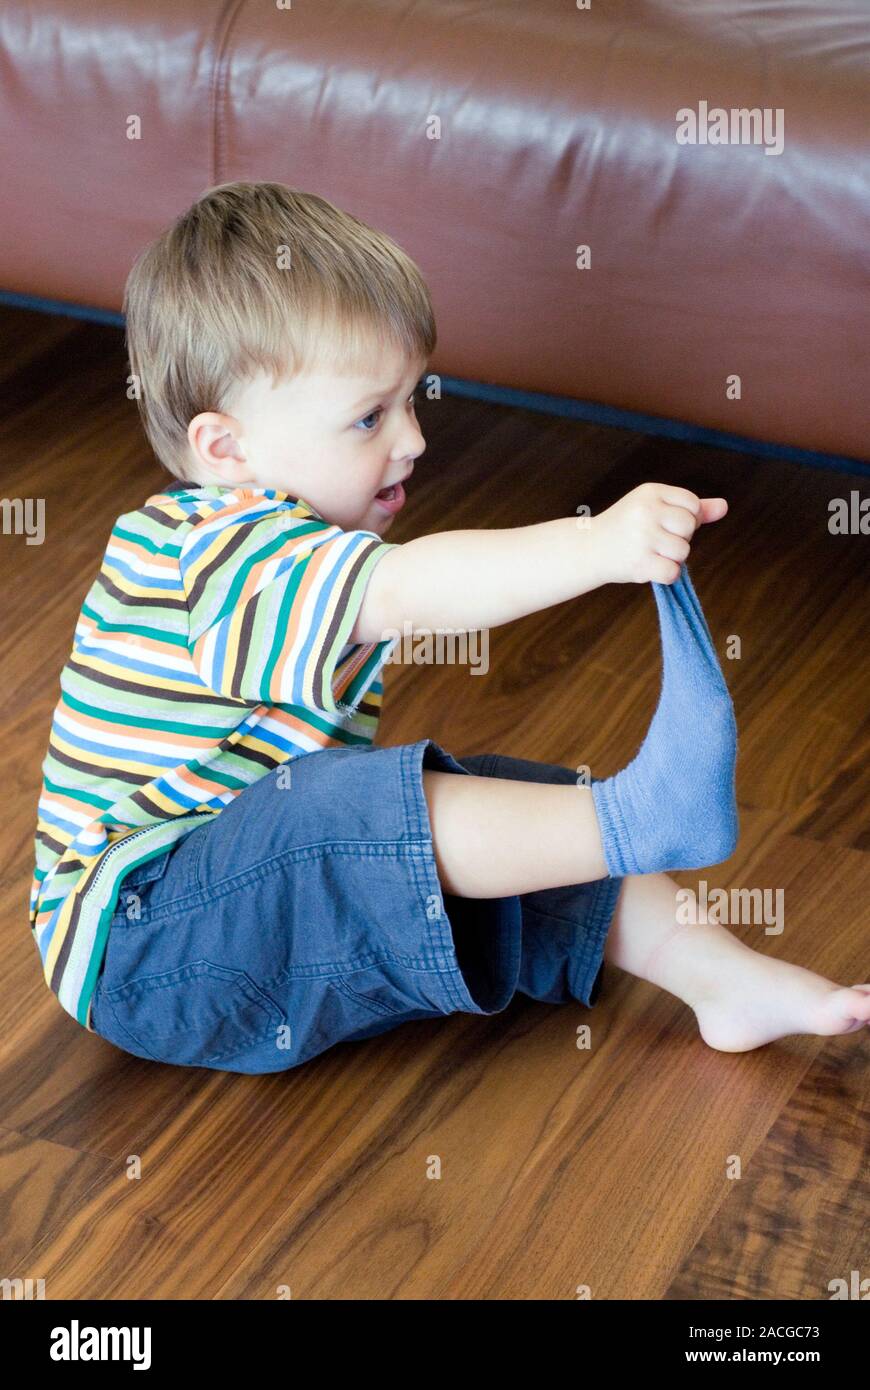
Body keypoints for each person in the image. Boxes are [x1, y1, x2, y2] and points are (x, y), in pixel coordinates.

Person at [30, 181, 870, 1072]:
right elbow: (406, 589)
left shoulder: (288, 541)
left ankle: (719, 979)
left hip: (246, 930)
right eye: (369, 416)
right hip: (143, 949)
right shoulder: (218, 554)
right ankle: (639, 814)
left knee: (504, 809)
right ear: (225, 449)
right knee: (348, 809)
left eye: (408, 401)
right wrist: (596, 545)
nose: (415, 441)